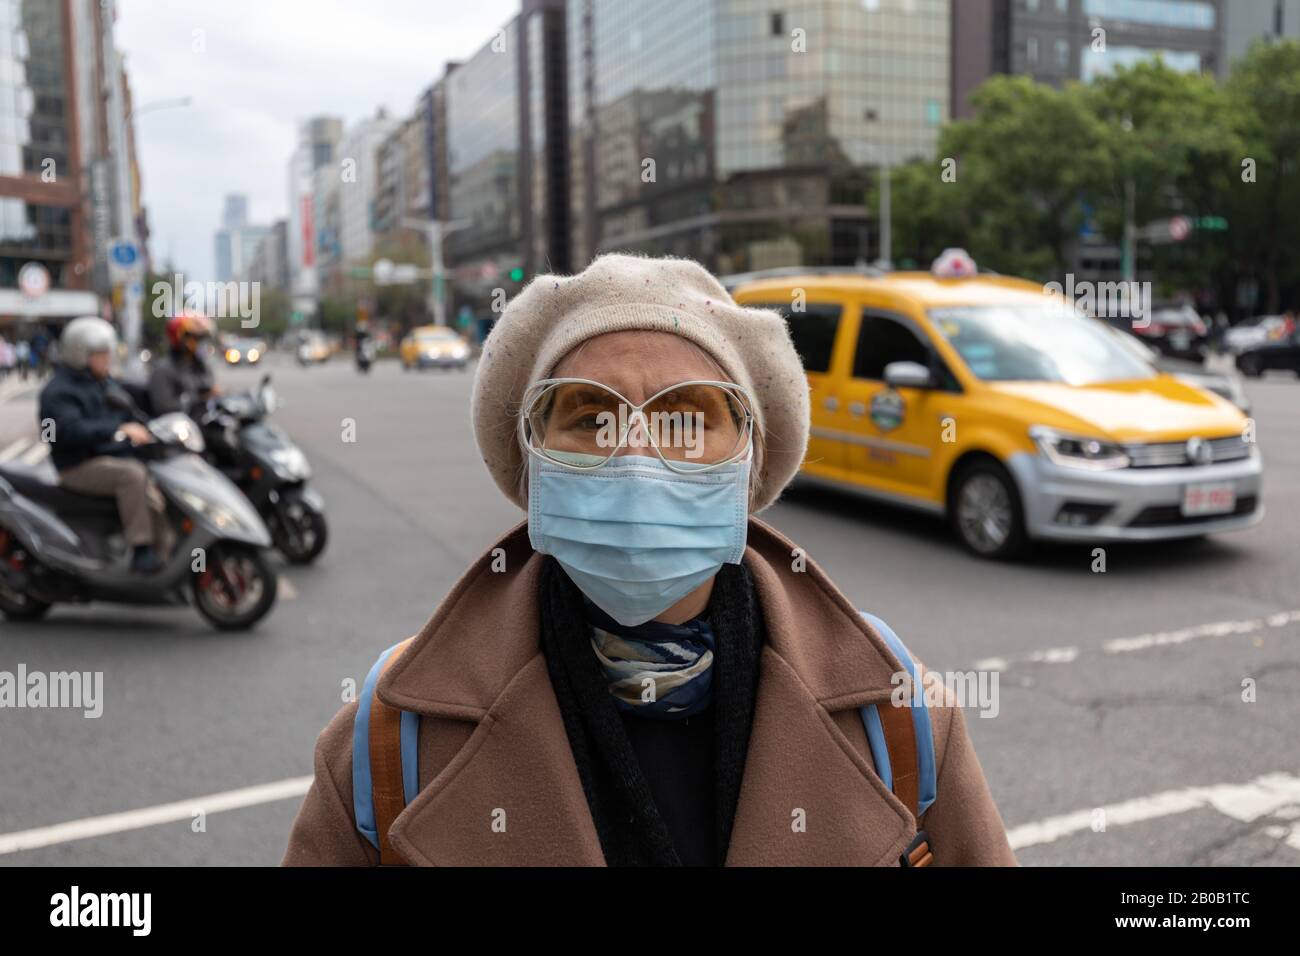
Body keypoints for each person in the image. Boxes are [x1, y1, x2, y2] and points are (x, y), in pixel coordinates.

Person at [283, 254, 1017, 867]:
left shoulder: (899, 715)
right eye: (591, 417)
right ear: (531, 455)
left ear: (751, 461)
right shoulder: (385, 742)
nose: (637, 455)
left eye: (689, 417)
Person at [39, 317, 168, 574]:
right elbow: (64, 432)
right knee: (132, 475)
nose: (108, 360)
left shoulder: (99, 382)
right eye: (101, 355)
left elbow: (130, 399)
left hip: (107, 456)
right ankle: (141, 551)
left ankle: (165, 553)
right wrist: (117, 429)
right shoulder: (58, 391)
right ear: (80, 354)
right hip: (77, 466)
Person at [148, 310, 218, 416]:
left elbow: (210, 390)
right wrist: (200, 399)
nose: (203, 343)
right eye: (198, 338)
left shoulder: (201, 366)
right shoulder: (163, 370)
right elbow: (164, 408)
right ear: (182, 338)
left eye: (204, 338)